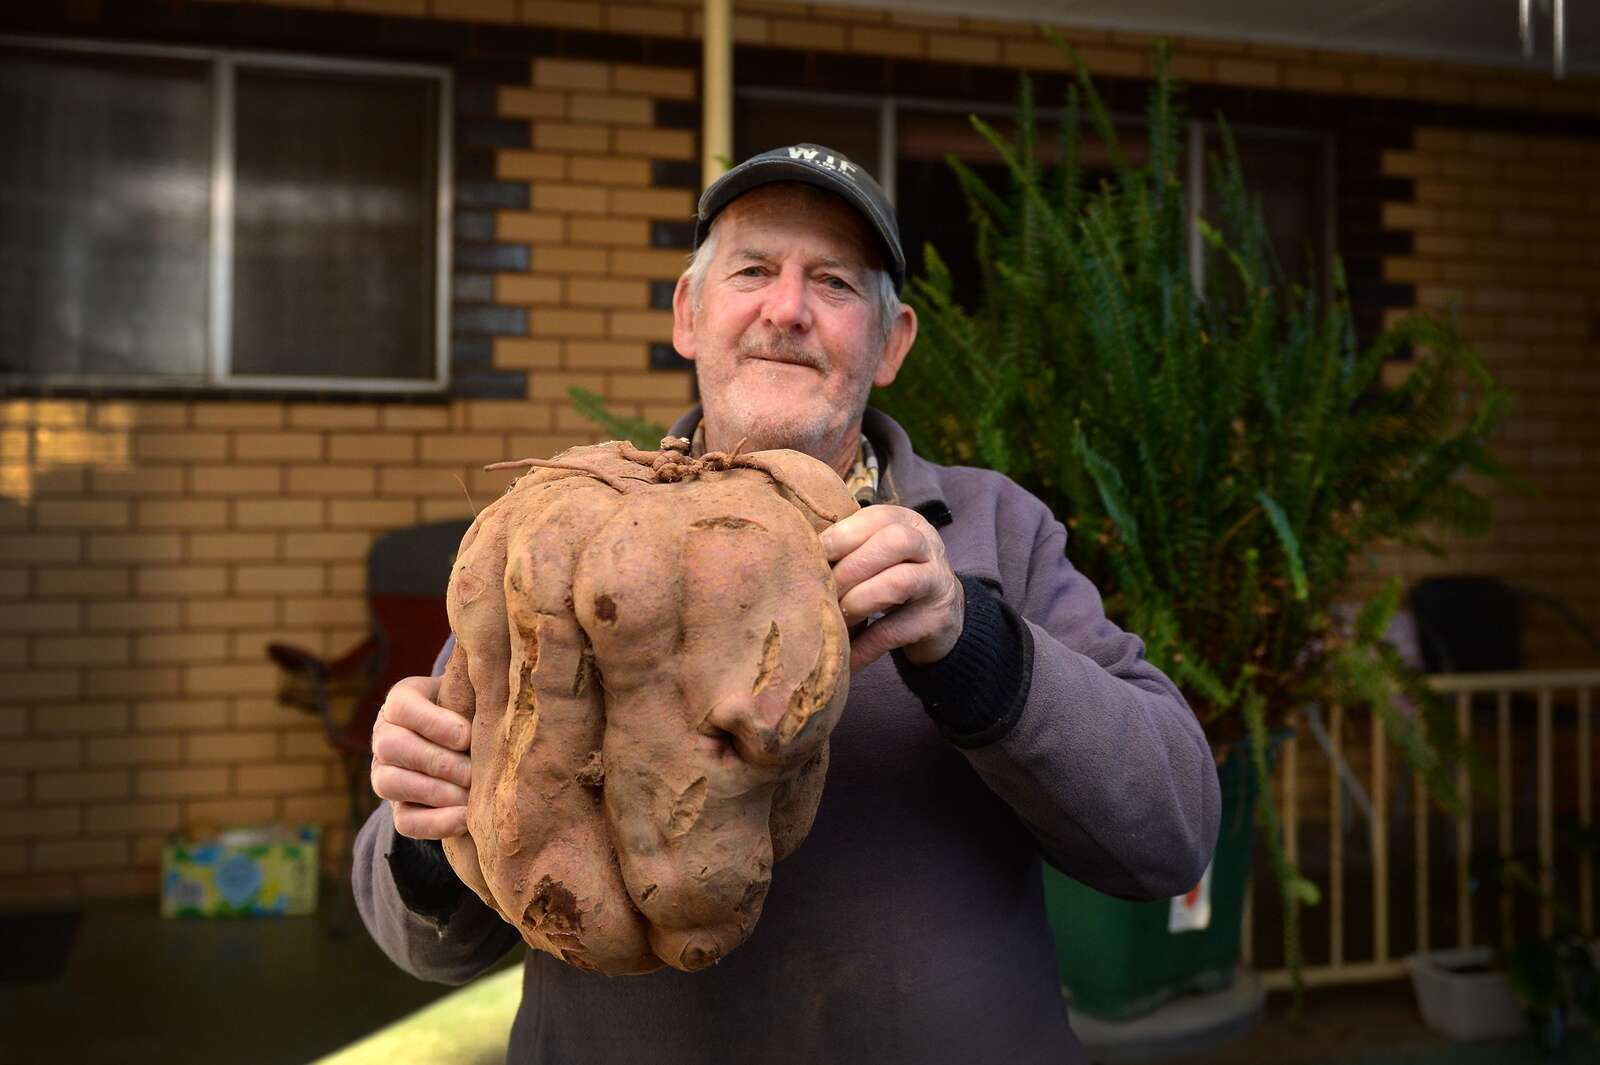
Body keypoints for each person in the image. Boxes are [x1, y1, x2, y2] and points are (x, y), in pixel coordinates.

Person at [353, 142, 1221, 1064]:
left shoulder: (990, 529)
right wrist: (422, 824)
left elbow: (1169, 837)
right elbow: (424, 943)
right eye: (754, 270)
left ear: (892, 344)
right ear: (690, 314)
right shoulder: (566, 544)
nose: (787, 309)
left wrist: (976, 648)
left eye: (836, 284)